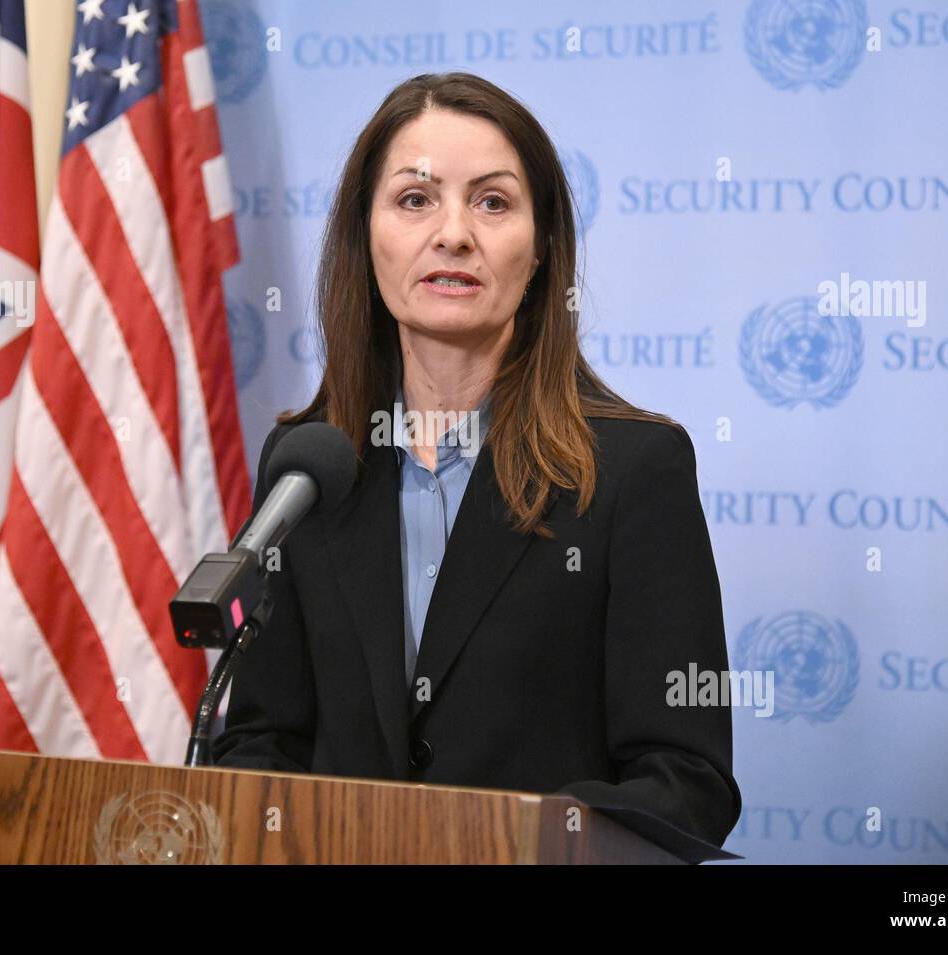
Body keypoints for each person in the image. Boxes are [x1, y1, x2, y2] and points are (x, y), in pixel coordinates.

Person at [212, 71, 741, 854]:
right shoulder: (309, 467)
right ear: (365, 237)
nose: (453, 234)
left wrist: (503, 844)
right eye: (415, 200)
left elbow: (684, 781)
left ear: (541, 250)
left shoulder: (636, 470)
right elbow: (260, 743)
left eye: (492, 202)